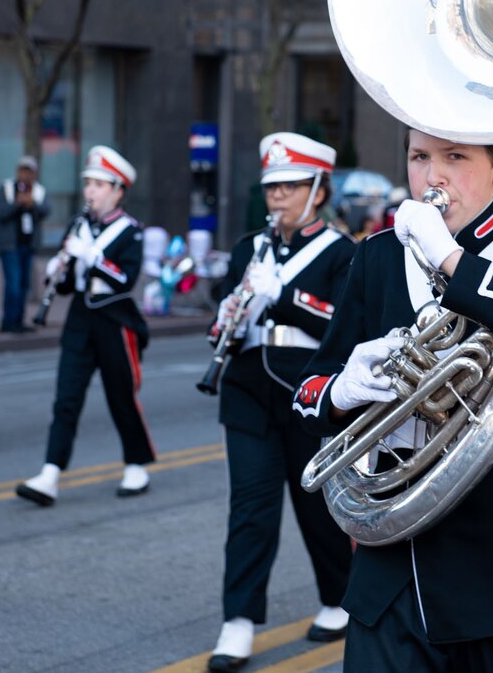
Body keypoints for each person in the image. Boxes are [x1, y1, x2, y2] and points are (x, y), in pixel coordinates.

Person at [293, 129, 493, 672]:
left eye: (454, 157)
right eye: (420, 157)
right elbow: (308, 393)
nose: (432, 176)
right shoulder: (380, 256)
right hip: (399, 569)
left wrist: (453, 261)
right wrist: (341, 393)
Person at [205, 133, 357, 672]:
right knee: (250, 507)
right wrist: (225, 317)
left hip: (307, 393)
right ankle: (238, 621)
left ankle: (339, 597)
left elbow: (345, 326)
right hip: (246, 387)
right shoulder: (251, 247)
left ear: (318, 190)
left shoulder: (343, 252)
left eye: (291, 186)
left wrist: (287, 299)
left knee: (316, 505)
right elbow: (223, 307)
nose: (278, 197)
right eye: (272, 187)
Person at [16, 146, 153, 505]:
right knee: (66, 398)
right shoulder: (78, 225)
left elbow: (125, 280)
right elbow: (66, 285)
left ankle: (136, 463)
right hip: (80, 319)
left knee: (121, 397)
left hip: (115, 321)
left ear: (119, 190)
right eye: (88, 184)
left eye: (99, 185)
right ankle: (50, 473)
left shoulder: (131, 232)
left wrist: (92, 256)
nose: (90, 191)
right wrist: (57, 272)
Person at [0, 155, 51, 333]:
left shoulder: (38, 191)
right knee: (13, 283)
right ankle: (8, 322)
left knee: (24, 285)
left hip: (28, 245)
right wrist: (17, 204)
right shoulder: (7, 188)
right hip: (10, 245)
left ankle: (18, 321)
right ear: (18, 171)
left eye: (29, 171)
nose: (26, 174)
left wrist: (32, 204)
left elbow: (47, 210)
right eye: (23, 170)